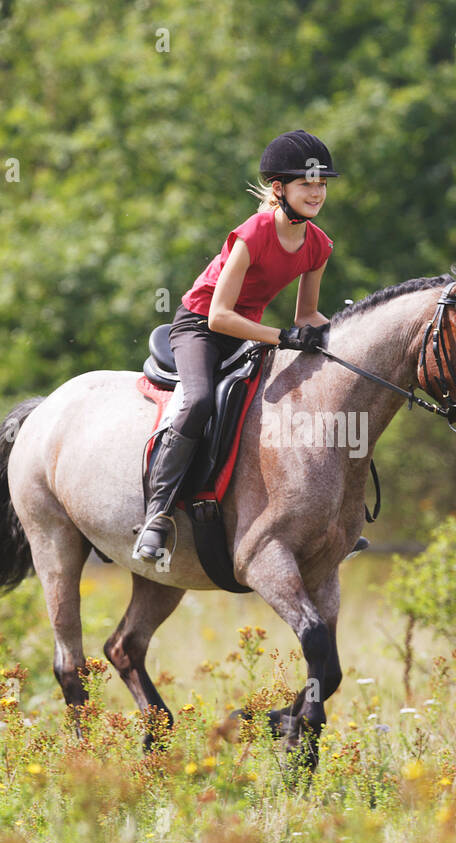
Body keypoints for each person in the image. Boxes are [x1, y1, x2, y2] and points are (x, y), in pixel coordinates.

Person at [132, 130, 338, 563]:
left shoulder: (318, 245)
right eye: (307, 184)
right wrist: (283, 338)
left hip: (248, 333)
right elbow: (218, 316)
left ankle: (319, 520)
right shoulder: (253, 232)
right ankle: (157, 514)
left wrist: (343, 336)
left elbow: (306, 316)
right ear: (280, 190)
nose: (317, 193)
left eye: (321, 184)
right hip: (200, 329)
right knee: (201, 399)